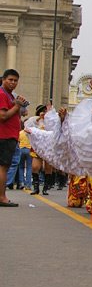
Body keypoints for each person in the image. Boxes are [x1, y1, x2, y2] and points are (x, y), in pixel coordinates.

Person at [0, 69, 26, 207]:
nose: (13, 83)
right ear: (3, 80)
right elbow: (3, 116)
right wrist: (17, 106)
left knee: (4, 166)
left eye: (15, 80)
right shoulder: (2, 94)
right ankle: (2, 197)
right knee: (3, 167)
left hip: (9, 135)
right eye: (10, 80)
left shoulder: (9, 95)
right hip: (4, 136)